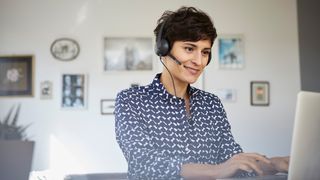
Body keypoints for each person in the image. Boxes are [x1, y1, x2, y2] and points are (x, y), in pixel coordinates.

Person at [115, 6, 289, 179]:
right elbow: (143, 162)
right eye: (189, 49)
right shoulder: (131, 100)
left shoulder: (211, 103)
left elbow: (232, 159)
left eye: (205, 52)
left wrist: (273, 164)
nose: (199, 61)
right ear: (164, 48)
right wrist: (216, 171)